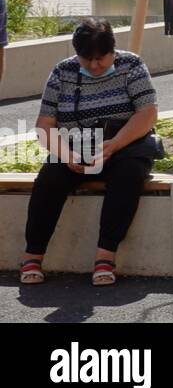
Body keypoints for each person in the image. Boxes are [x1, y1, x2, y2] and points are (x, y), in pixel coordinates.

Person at [19, 19, 159, 285]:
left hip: (123, 145)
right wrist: (65, 154)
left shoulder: (132, 65)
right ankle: (32, 256)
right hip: (76, 146)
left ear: (112, 51)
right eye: (87, 59)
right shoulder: (62, 72)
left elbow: (148, 113)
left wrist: (115, 144)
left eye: (101, 58)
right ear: (76, 53)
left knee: (129, 175)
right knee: (49, 179)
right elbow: (45, 124)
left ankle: (105, 256)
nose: (94, 66)